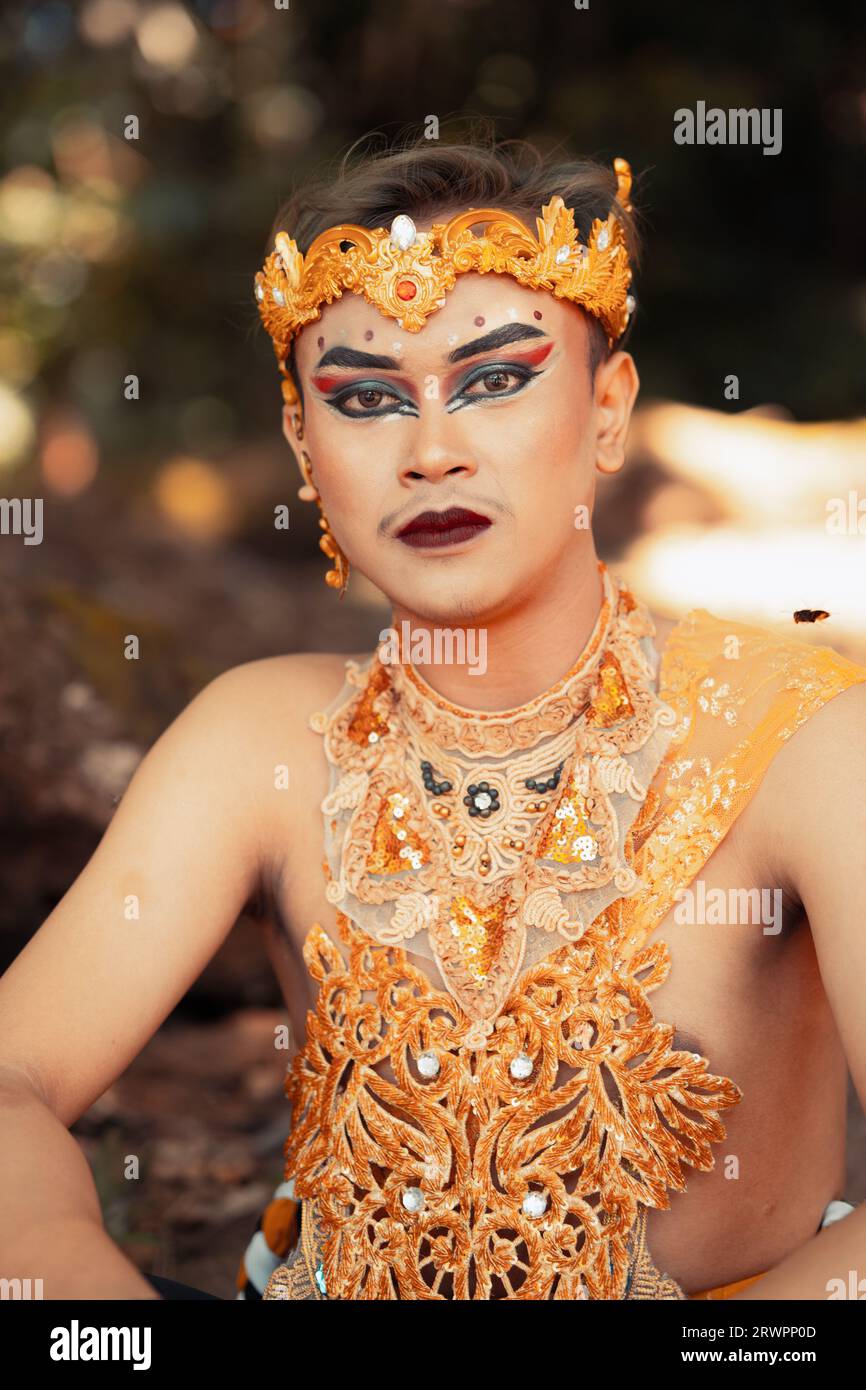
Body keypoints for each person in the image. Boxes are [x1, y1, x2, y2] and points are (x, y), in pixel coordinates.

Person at [1, 134, 864, 1302]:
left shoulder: (800, 739)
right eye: (364, 401)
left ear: (607, 411)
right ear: (306, 451)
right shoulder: (258, 740)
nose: (431, 453)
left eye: (495, 378)